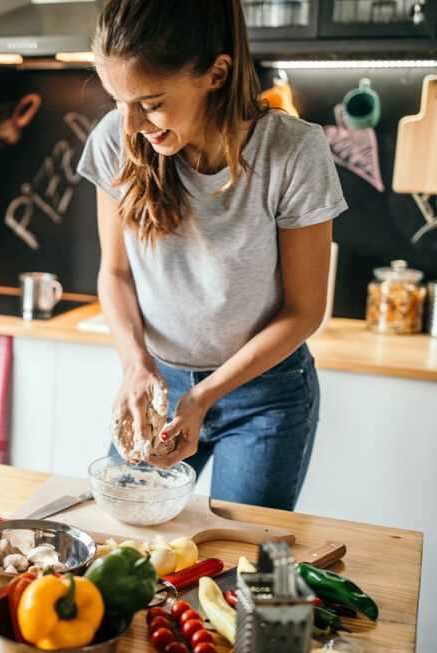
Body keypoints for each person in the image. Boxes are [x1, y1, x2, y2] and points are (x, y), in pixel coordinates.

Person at [77, 0, 347, 511]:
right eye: (118, 101)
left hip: (266, 395)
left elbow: (304, 310)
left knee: (240, 562)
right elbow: (114, 274)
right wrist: (136, 366)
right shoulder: (115, 141)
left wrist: (204, 397)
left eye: (151, 102)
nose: (131, 124)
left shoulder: (292, 152)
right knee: (125, 538)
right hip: (158, 381)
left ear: (216, 73)